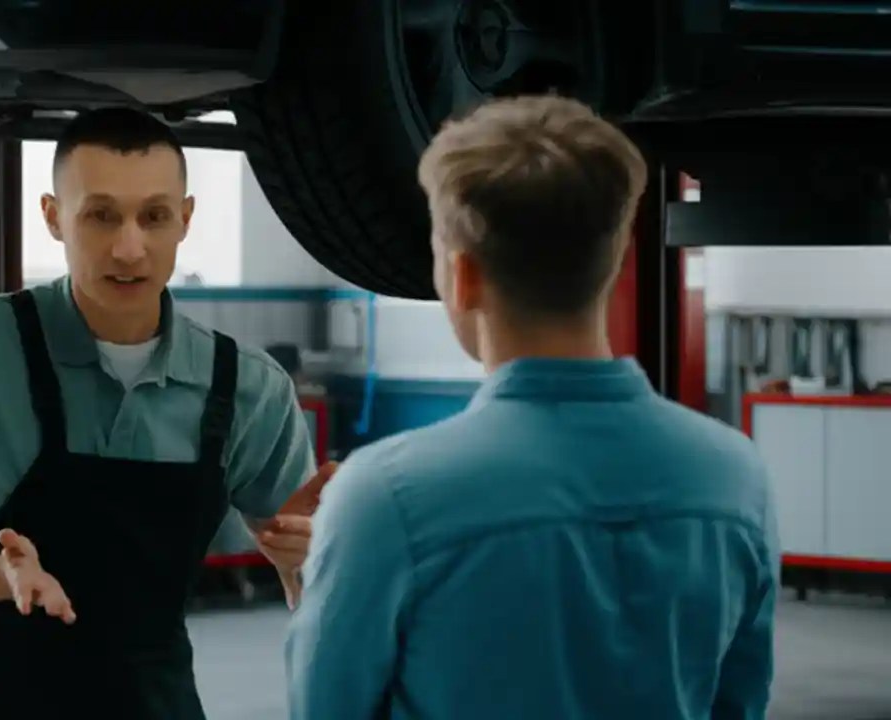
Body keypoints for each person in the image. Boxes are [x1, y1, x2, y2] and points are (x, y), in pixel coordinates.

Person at [286, 95, 780, 719]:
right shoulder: (735, 476)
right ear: (615, 258)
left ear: (463, 276)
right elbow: (739, 702)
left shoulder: (387, 497)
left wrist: (329, 568)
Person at [0, 106, 334, 720]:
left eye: (154, 216)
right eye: (101, 215)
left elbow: (308, 582)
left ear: (185, 219)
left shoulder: (248, 386)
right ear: (54, 217)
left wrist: (314, 557)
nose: (129, 249)